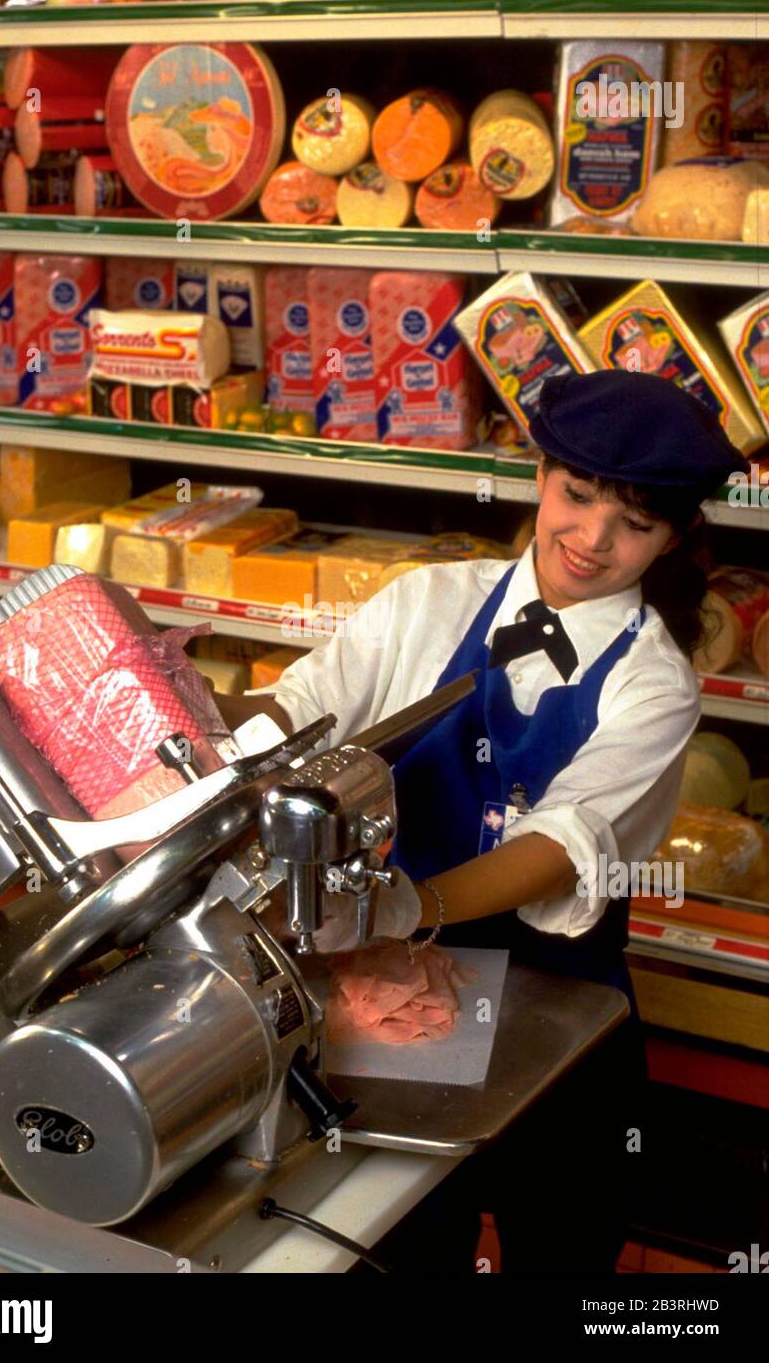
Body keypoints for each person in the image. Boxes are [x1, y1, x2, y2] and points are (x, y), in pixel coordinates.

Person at [213, 369, 744, 1273]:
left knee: (565, 1244)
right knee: (402, 1236)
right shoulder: (429, 603)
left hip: (558, 1000)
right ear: (541, 471)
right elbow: (300, 712)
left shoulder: (656, 682)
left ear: (677, 534)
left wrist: (406, 908)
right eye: (576, 497)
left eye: (637, 524)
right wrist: (180, 713)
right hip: (387, 996)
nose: (592, 540)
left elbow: (566, 842)